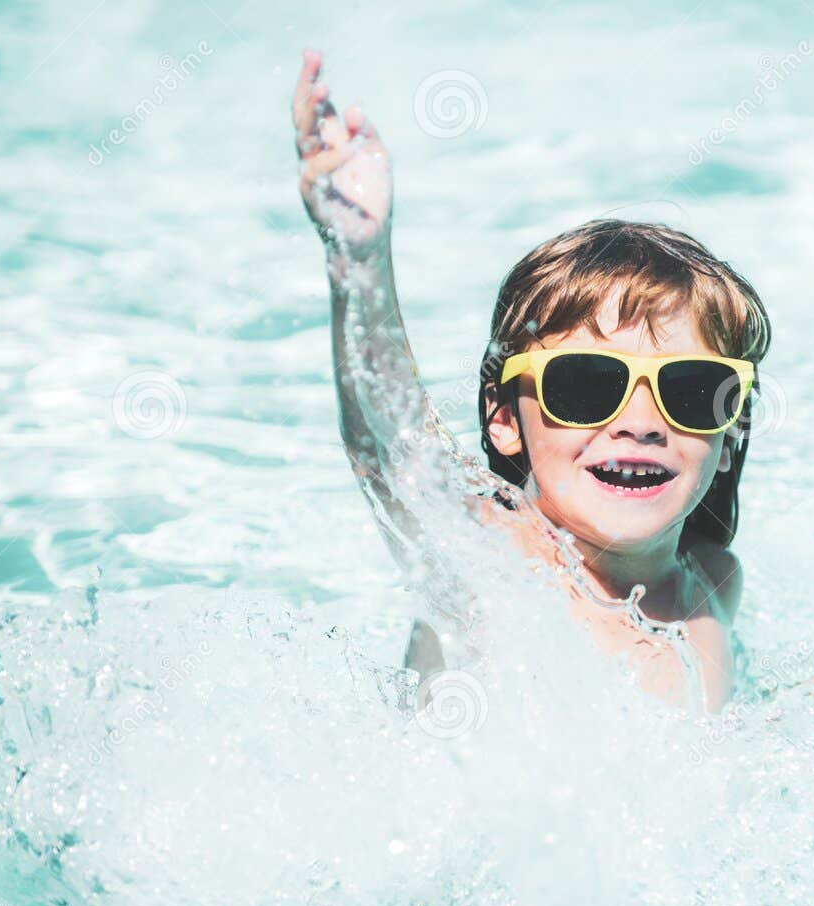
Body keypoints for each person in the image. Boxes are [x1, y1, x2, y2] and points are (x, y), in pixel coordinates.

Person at [293, 49, 771, 713]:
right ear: (503, 416)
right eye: (585, 385)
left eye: (689, 389)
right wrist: (360, 264)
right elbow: (389, 447)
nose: (641, 420)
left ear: (730, 424)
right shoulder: (485, 564)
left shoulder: (713, 586)